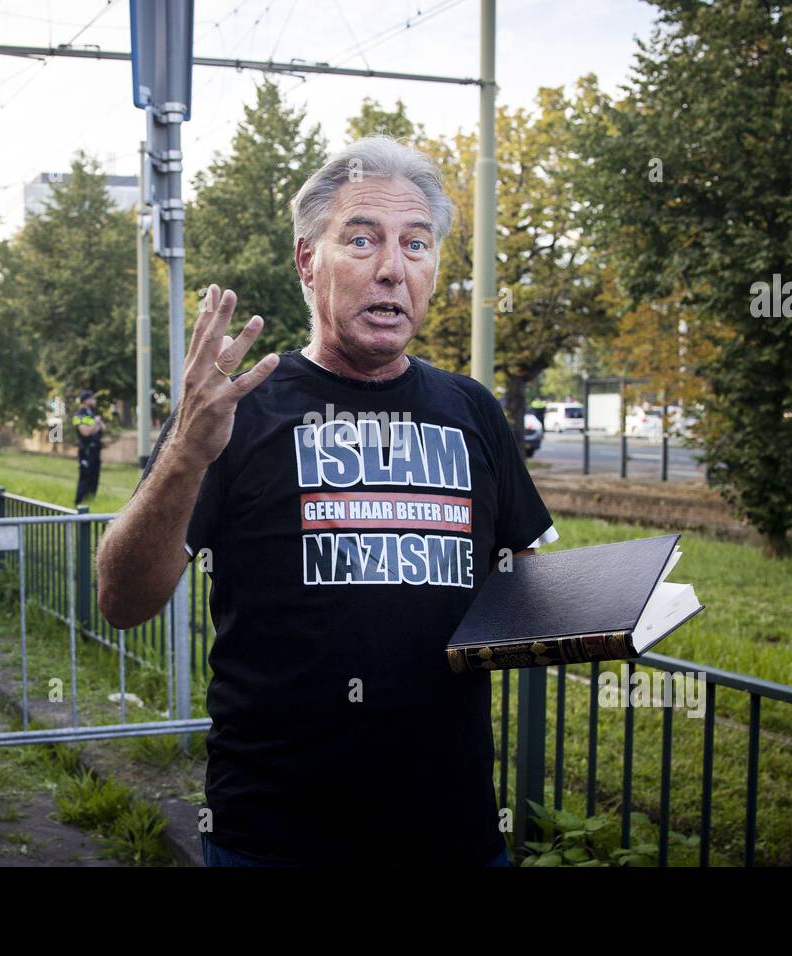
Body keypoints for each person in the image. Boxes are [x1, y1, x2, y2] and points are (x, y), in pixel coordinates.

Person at [97, 135, 558, 867]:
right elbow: (121, 600)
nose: (391, 269)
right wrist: (186, 450)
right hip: (276, 842)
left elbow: (526, 590)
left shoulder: (470, 410)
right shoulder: (234, 410)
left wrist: (616, 609)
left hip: (455, 837)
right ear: (309, 261)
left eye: (416, 244)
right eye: (363, 239)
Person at [72, 389, 105, 506]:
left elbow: (102, 429)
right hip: (86, 451)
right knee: (85, 477)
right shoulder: (79, 415)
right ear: (86, 400)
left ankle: (90, 502)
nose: (94, 400)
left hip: (96, 450)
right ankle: (79, 504)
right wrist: (96, 424)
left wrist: (95, 425)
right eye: (92, 398)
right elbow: (85, 432)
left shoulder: (93, 414)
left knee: (94, 478)